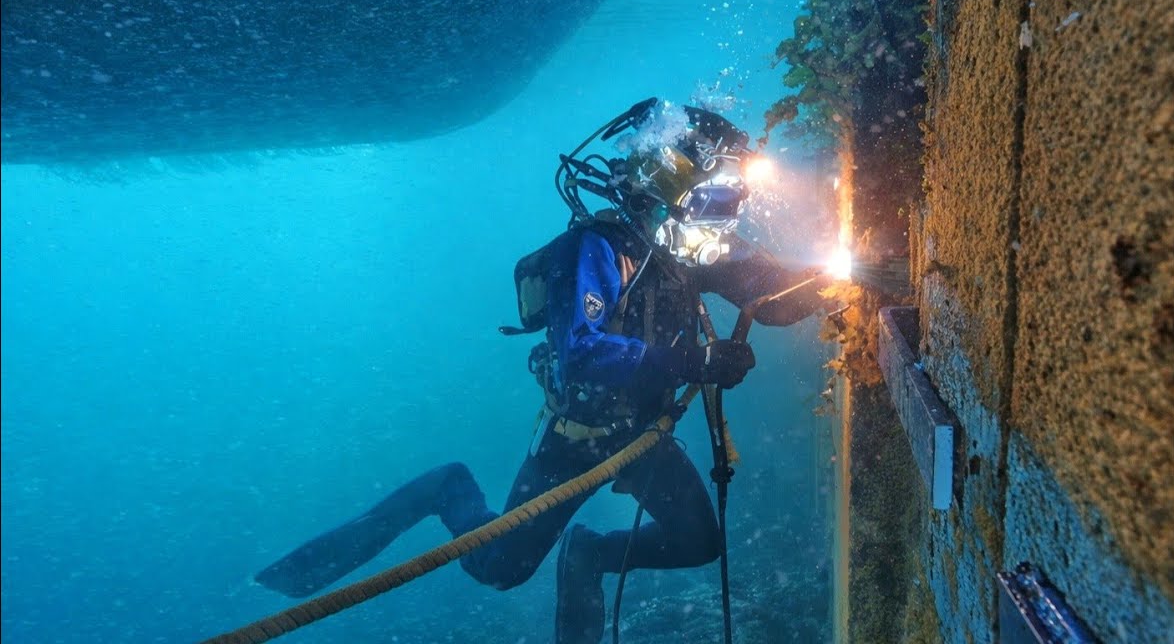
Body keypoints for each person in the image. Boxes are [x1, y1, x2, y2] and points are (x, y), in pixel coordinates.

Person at [253, 97, 830, 644]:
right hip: (574, 439)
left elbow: (770, 298)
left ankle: (591, 553)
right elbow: (581, 349)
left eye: (730, 207)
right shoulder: (595, 250)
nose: (722, 225)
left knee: (699, 540)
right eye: (713, 205)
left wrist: (838, 282)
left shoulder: (686, 249)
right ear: (669, 190)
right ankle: (446, 488)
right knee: (499, 568)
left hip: (643, 432)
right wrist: (693, 361)